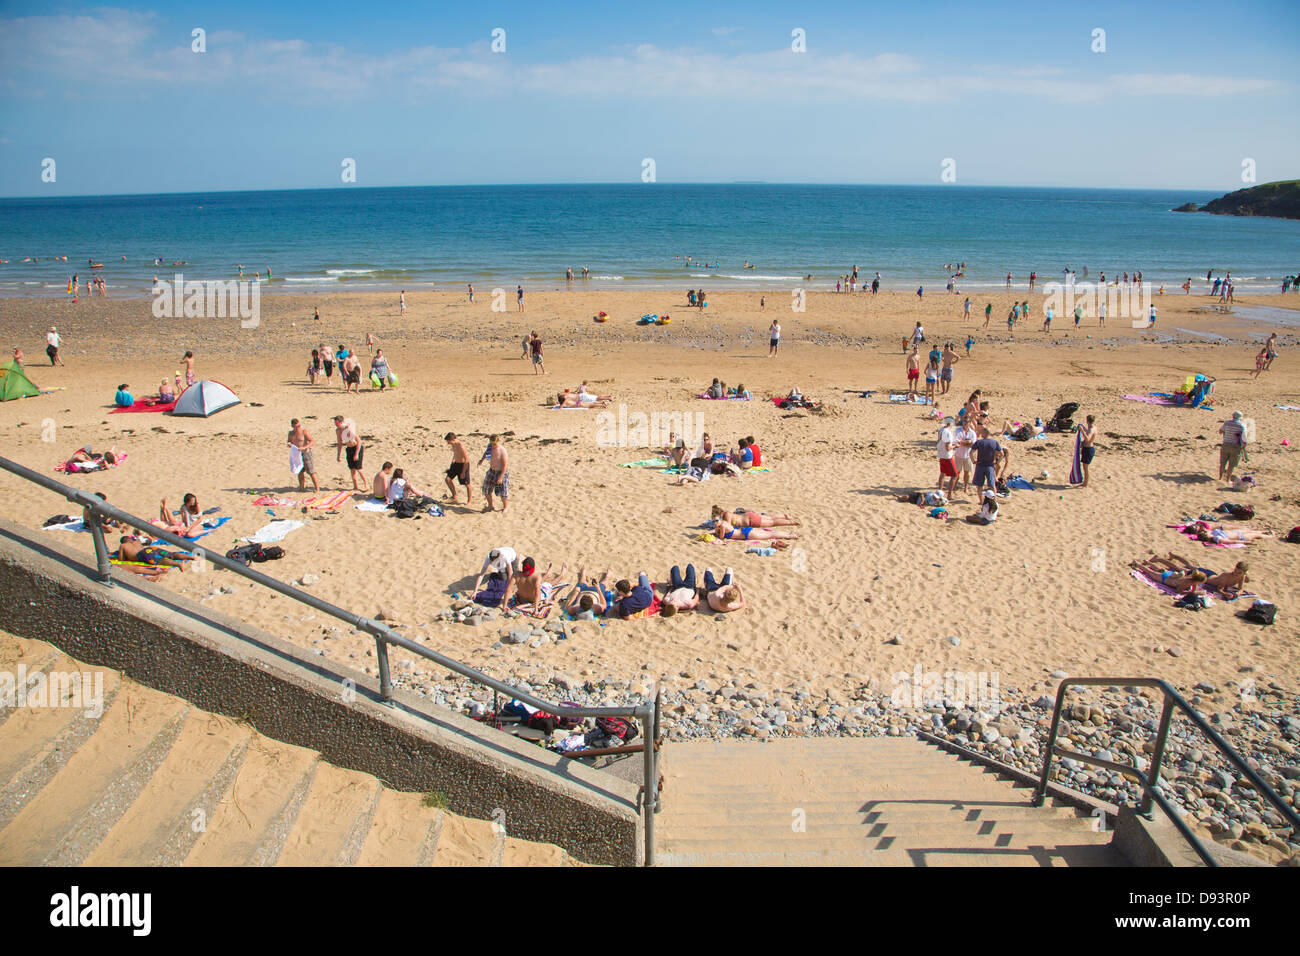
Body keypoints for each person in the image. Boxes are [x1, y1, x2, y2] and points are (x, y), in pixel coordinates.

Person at [1129, 554, 1208, 594]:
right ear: (1198, 580)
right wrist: (1187, 592)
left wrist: (1194, 592)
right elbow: (1178, 591)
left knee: (1158, 570)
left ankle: (1148, 562)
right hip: (1165, 579)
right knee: (1150, 572)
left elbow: (1193, 590)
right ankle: (1137, 565)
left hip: (1171, 575)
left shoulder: (1191, 579)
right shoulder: (1187, 583)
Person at [970, 427, 1005, 494]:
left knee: (980, 486)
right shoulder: (994, 442)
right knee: (992, 485)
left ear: (983, 434)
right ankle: (994, 499)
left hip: (980, 465)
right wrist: (997, 462)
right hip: (990, 465)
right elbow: (1002, 454)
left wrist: (974, 461)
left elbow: (971, 452)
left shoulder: (979, 442)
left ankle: (981, 500)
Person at [334, 415, 365, 490]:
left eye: (337, 422)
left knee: (359, 469)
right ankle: (355, 486)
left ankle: (365, 484)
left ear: (341, 422)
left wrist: (356, 454)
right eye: (335, 422)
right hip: (349, 448)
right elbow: (339, 443)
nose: (335, 424)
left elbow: (359, 441)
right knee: (352, 469)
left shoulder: (347, 428)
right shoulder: (338, 431)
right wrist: (339, 455)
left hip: (356, 447)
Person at [288, 418, 319, 493]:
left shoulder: (304, 432)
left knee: (311, 471)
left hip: (306, 453)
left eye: (299, 426)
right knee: (300, 472)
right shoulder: (291, 433)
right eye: (296, 427)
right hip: (297, 454)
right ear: (292, 426)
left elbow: (311, 441)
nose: (297, 428)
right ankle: (301, 487)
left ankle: (317, 488)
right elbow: (289, 441)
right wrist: (289, 444)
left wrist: (305, 447)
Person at [119, 535, 189, 567]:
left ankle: (178, 564)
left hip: (142, 555)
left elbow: (121, 559)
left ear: (123, 542)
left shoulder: (123, 546)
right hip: (149, 549)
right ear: (129, 539)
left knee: (160, 560)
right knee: (170, 554)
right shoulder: (136, 541)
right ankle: (191, 557)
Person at [711, 518, 799, 543]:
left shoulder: (722, 526)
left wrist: (716, 533)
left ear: (719, 519)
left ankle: (789, 536)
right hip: (746, 530)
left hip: (747, 535)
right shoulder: (724, 522)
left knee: (770, 535)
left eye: (716, 521)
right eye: (713, 521)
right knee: (769, 533)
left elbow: (721, 537)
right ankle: (788, 534)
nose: (715, 523)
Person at [1218, 411, 1248, 483]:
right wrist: (1244, 446)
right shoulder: (1242, 426)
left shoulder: (1227, 423)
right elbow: (1244, 438)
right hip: (1235, 446)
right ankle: (1228, 479)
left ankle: (1220, 477)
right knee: (1231, 464)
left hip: (1226, 444)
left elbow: (1220, 431)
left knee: (1222, 462)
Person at [482, 434, 509, 512]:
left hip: (501, 472)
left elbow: (505, 465)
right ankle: (490, 506)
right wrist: (482, 460)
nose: (493, 445)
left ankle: (505, 507)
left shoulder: (502, 450)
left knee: (503, 492)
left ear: (498, 442)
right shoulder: (490, 447)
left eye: (494, 444)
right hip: (491, 471)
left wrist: (501, 477)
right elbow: (486, 453)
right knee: (486, 489)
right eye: (491, 443)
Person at [443, 433, 472, 504]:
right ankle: (454, 496)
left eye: (448, 441)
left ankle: (469, 501)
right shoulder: (453, 445)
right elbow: (455, 453)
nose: (448, 443)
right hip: (455, 464)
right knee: (448, 479)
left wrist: (463, 472)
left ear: (452, 439)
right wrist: (453, 460)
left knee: (466, 484)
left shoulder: (461, 446)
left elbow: (466, 460)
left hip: (463, 465)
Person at [711, 506, 799, 528]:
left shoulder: (726, 516)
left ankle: (791, 522)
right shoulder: (727, 512)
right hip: (749, 515)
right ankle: (784, 516)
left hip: (750, 521)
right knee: (770, 518)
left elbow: (728, 526)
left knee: (772, 523)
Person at [936, 416, 958, 497]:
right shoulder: (947, 432)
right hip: (947, 456)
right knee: (955, 475)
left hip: (941, 454)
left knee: (943, 473)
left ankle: (940, 491)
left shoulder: (941, 430)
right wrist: (955, 446)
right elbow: (948, 448)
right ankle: (949, 494)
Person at [1076, 414, 1097, 487]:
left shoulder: (1091, 429)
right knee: (1085, 467)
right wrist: (1083, 428)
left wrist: (1082, 430)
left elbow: (1087, 439)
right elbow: (1088, 432)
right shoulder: (1093, 427)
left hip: (1088, 450)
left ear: (1087, 421)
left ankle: (1085, 483)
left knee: (1086, 468)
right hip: (1087, 449)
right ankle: (1085, 482)